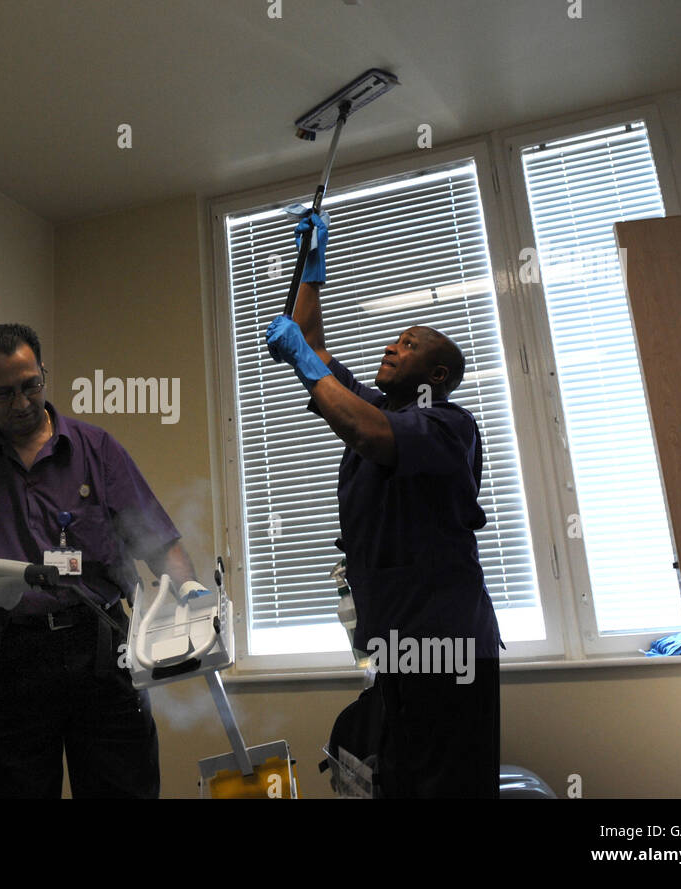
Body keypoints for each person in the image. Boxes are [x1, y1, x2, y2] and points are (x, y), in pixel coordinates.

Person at [0, 322, 204, 798]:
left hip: (102, 645)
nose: (20, 403)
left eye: (30, 386)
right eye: (2, 394)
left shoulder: (97, 452)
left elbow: (159, 544)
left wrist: (192, 600)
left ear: (43, 372)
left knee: (123, 787)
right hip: (12, 656)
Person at [265, 211, 502, 798]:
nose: (392, 346)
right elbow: (316, 349)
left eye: (409, 344)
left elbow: (364, 429)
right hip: (399, 641)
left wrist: (304, 360)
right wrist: (311, 272)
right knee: (397, 778)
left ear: (437, 374)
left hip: (446, 644)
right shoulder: (382, 408)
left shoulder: (448, 426)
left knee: (444, 786)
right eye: (395, 338)